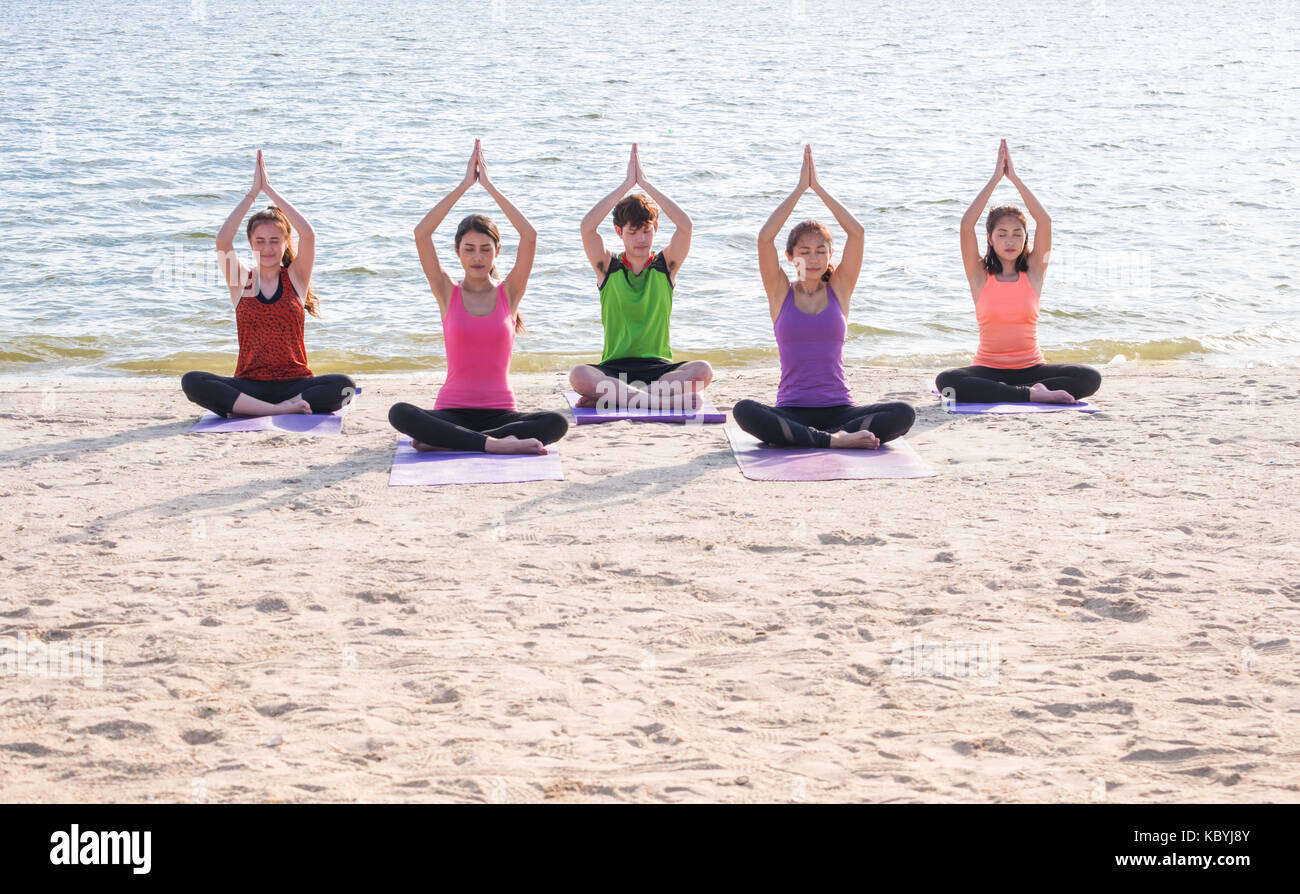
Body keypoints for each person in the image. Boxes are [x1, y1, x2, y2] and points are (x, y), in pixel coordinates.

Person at [388, 140, 567, 455]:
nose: (477, 257)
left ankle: (451, 440)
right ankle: (491, 444)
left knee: (555, 422)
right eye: (468, 249)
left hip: (501, 412)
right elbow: (421, 234)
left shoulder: (509, 293)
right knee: (399, 413)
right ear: (457, 251)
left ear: (497, 252)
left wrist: (490, 186)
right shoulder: (447, 291)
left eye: (486, 249)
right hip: (450, 410)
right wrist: (463, 186)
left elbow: (530, 236)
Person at [733, 145, 915, 449]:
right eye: (805, 251)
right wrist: (798, 190)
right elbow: (765, 238)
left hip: (841, 411)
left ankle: (825, 438)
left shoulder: (840, 289)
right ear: (791, 256)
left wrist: (818, 188)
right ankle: (834, 442)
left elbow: (857, 233)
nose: (814, 258)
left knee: (903, 413)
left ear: (831, 255)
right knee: (744, 410)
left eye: (821, 251)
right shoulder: (781, 293)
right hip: (791, 409)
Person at [182, 150, 356, 418]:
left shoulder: (296, 278)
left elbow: (308, 234)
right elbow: (222, 242)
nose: (268, 248)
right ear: (251, 244)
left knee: (344, 387)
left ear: (286, 242)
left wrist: (270, 190)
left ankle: (262, 409)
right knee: (192, 381)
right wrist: (252, 194)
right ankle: (276, 410)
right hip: (249, 385)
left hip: (296, 384)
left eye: (275, 240)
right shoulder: (241, 281)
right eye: (260, 241)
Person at [935, 140, 1101, 404]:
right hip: (988, 370)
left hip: (1033, 369)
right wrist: (994, 179)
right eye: (1002, 234)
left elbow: (1044, 221)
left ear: (1025, 238)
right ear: (989, 239)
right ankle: (1030, 395)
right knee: (947, 382)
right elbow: (967, 224)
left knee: (1090, 377)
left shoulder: (1034, 272)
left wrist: (1014, 178)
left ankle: (1022, 391)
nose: (1010, 241)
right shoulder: (979, 275)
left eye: (1017, 234)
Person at [569, 143, 712, 411]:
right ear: (618, 231)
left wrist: (645, 184)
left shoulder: (665, 265)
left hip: (660, 370)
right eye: (633, 232)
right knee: (579, 374)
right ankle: (653, 401)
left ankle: (617, 398)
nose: (641, 239)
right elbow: (587, 227)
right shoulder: (608, 267)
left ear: (655, 228)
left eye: (646, 231)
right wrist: (626, 185)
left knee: (703, 370)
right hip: (613, 368)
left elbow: (686, 225)